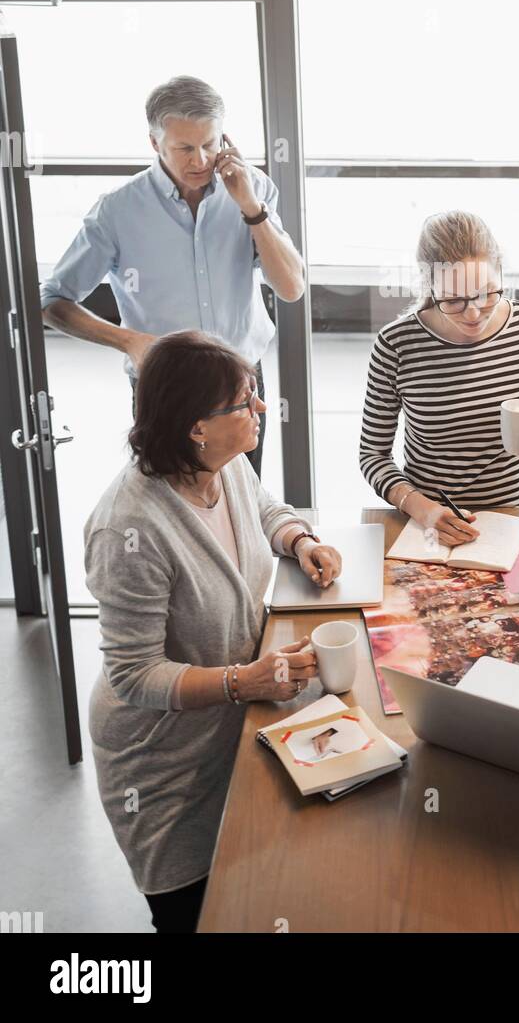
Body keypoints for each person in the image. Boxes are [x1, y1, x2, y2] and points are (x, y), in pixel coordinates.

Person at [84, 331, 342, 934]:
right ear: (195, 425)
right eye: (244, 400)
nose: (259, 409)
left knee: (255, 893)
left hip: (234, 723)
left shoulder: (222, 468)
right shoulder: (129, 528)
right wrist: (241, 681)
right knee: (197, 914)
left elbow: (265, 508)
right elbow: (134, 673)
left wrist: (300, 539)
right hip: (163, 761)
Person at [41, 75, 305, 476]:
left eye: (209, 144)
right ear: (154, 143)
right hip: (165, 387)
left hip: (240, 383)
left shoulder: (255, 189)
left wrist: (250, 206)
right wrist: (130, 342)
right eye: (184, 148)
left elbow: (290, 287)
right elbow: (53, 301)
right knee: (169, 509)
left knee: (245, 505)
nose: (199, 160)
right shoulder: (117, 211)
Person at [360, 210, 519, 545]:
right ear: (430, 285)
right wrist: (423, 509)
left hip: (513, 521)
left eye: (486, 293)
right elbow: (372, 454)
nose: (473, 314)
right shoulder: (397, 344)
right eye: (453, 300)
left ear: (500, 272)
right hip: (427, 528)